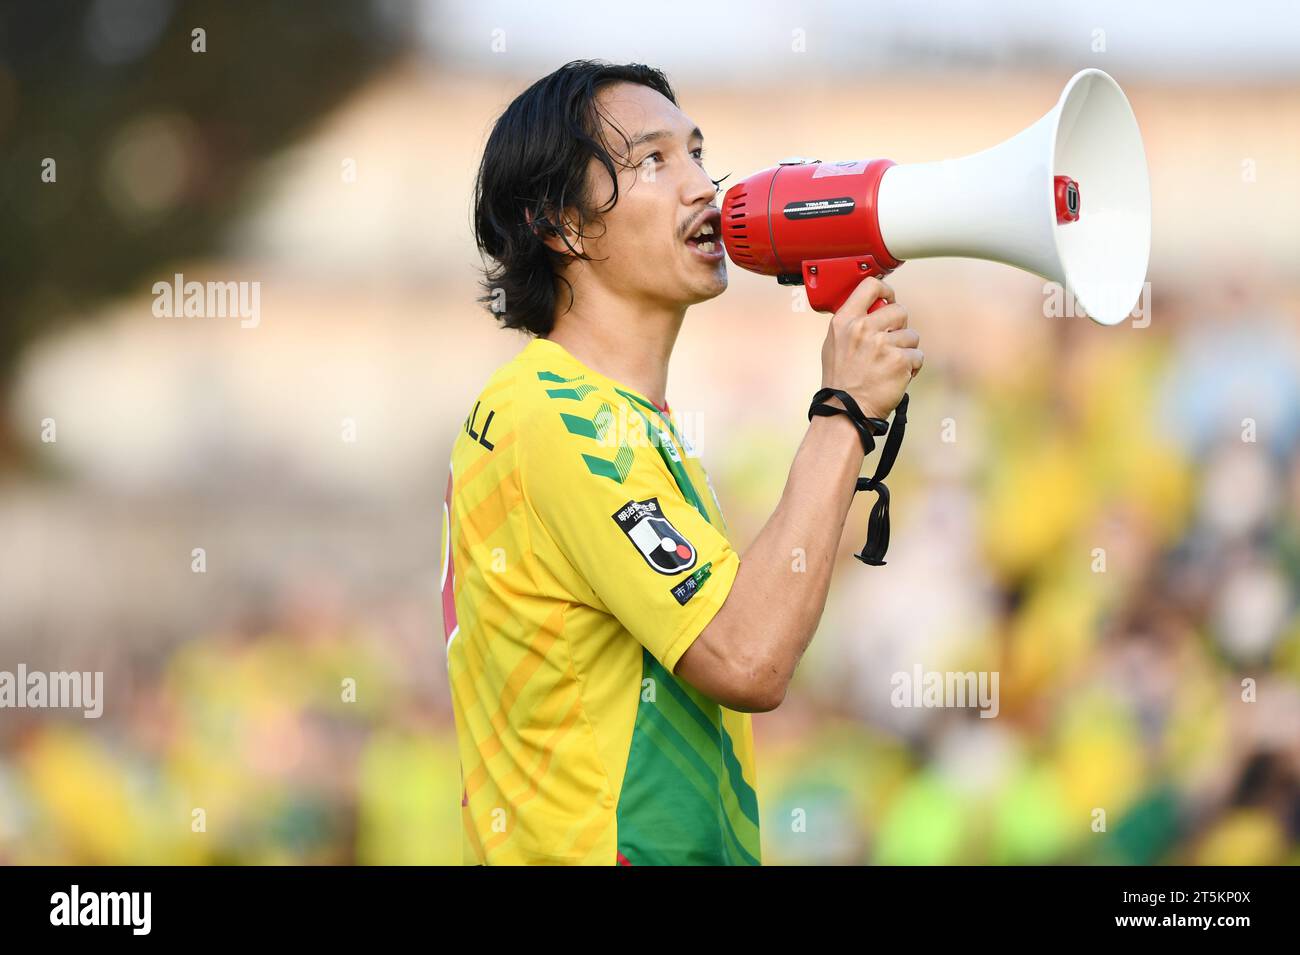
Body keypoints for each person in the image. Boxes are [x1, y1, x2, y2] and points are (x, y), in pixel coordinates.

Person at [442, 59, 922, 865]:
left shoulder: (625, 424)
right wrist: (842, 411)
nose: (705, 187)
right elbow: (749, 656)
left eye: (699, 153)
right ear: (558, 223)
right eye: (653, 160)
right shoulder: (562, 415)